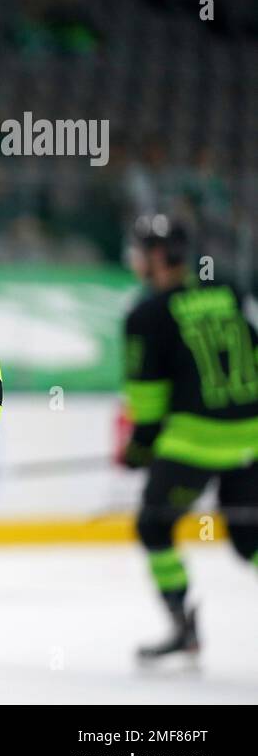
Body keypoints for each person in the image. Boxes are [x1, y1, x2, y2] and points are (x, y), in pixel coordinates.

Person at [120, 215, 258, 665]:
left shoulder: (147, 315)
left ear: (157, 258)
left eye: (142, 252)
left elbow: (148, 399)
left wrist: (139, 449)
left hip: (195, 443)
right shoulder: (230, 293)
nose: (137, 260)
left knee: (153, 526)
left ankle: (183, 628)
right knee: (248, 540)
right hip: (251, 440)